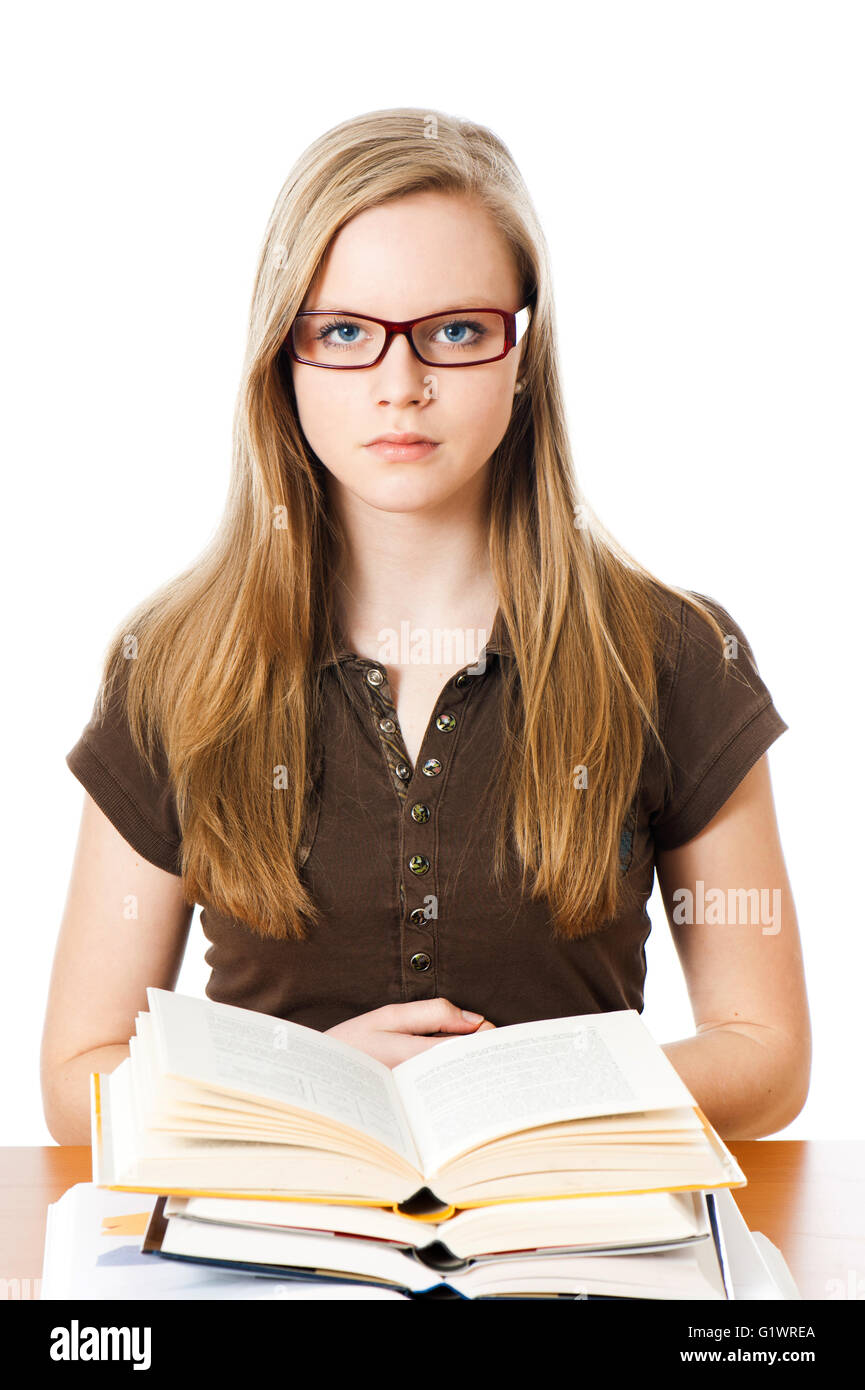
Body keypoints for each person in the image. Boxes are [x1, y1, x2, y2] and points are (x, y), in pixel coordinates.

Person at [41, 107, 810, 1147]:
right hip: (274, 1248)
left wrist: (522, 1087)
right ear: (286, 356)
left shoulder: (668, 654)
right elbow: (76, 1081)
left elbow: (763, 1053)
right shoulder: (178, 666)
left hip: (568, 1243)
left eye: (454, 331)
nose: (400, 387)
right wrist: (304, 1078)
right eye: (346, 333)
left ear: (520, 350)